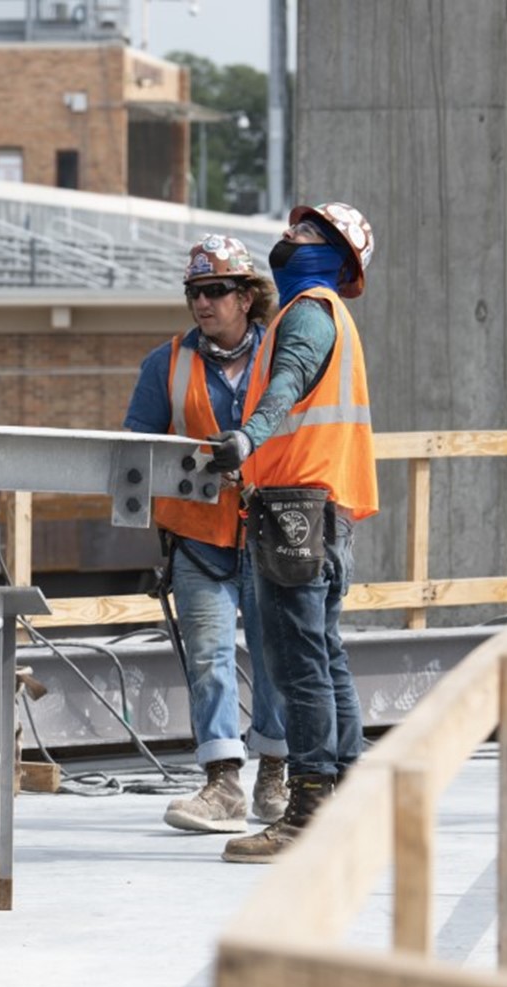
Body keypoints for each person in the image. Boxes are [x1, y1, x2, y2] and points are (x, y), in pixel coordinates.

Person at [204, 202, 377, 863]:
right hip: (324, 510)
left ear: (330, 254)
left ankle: (306, 813)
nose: (287, 236)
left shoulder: (307, 312)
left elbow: (286, 383)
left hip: (294, 511)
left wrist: (246, 437)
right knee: (324, 656)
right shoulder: (329, 314)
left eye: (302, 232)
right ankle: (349, 804)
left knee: (299, 665)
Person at [124, 235, 289, 833]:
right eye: (194, 291)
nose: (202, 302)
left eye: (215, 290)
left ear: (246, 297)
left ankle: (275, 771)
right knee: (209, 658)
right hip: (198, 540)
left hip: (273, 536)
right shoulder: (166, 365)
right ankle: (223, 782)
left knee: (276, 656)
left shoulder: (283, 358)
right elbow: (136, 449)